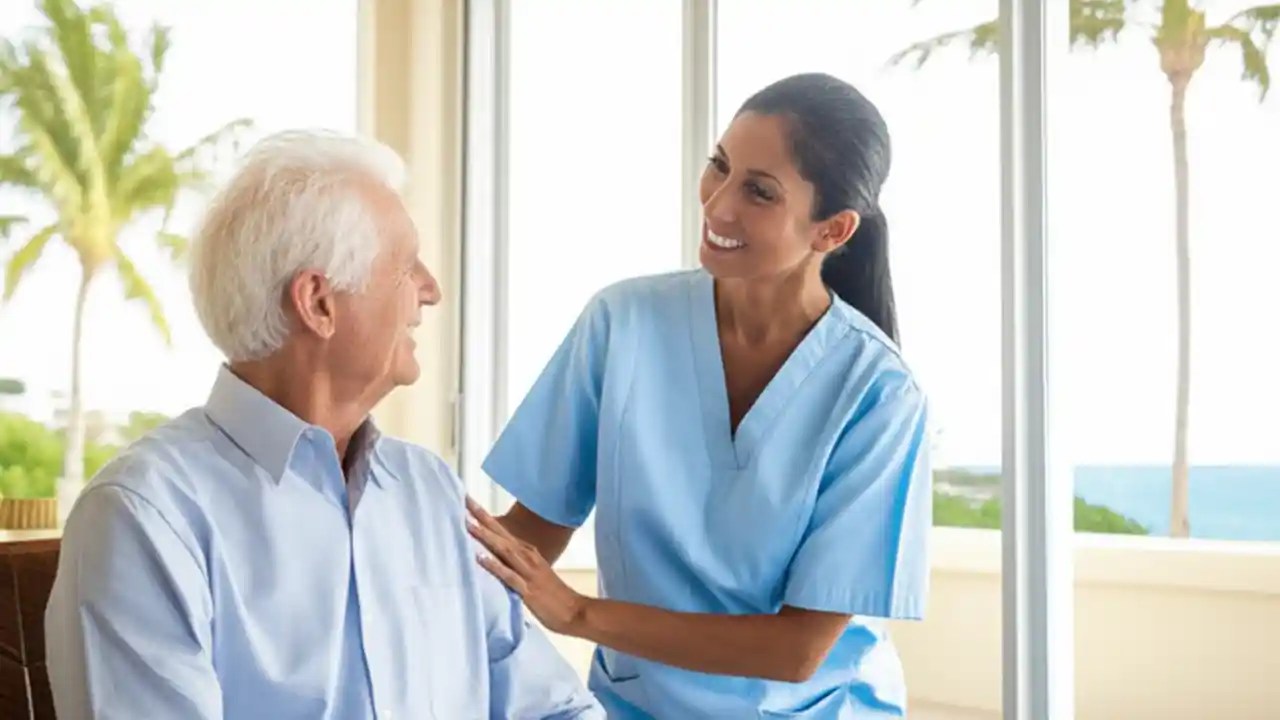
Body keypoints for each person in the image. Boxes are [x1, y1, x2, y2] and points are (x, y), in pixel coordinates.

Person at [44, 130, 603, 720]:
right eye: (405, 266)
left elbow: (557, 709)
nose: (431, 291)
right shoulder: (143, 516)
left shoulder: (430, 491)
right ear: (318, 302)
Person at [467, 73, 932, 718]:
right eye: (719, 166)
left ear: (832, 230)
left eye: (759, 192)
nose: (718, 206)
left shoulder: (878, 395)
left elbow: (798, 649)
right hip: (639, 706)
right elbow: (533, 532)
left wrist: (577, 613)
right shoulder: (621, 324)